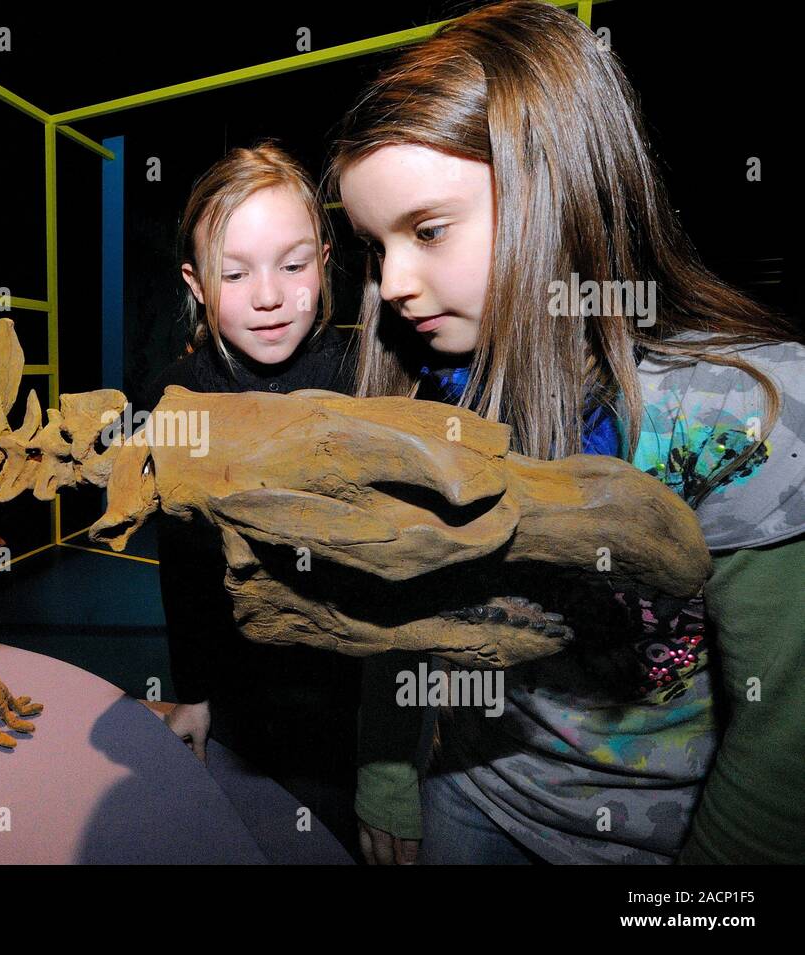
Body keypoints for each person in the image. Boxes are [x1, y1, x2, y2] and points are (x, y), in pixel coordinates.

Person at [325, 0, 805, 863]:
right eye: (374, 245)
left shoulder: (740, 415)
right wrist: (390, 774)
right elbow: (401, 614)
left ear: (562, 189)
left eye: (428, 230)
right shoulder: (424, 392)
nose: (392, 281)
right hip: (464, 793)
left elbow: (783, 737)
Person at [143, 141, 362, 846]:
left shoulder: (373, 381)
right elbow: (182, 568)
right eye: (234, 273)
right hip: (238, 691)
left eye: (293, 265)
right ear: (197, 283)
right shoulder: (178, 400)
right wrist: (195, 691)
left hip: (351, 697)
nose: (268, 294)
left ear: (325, 263)